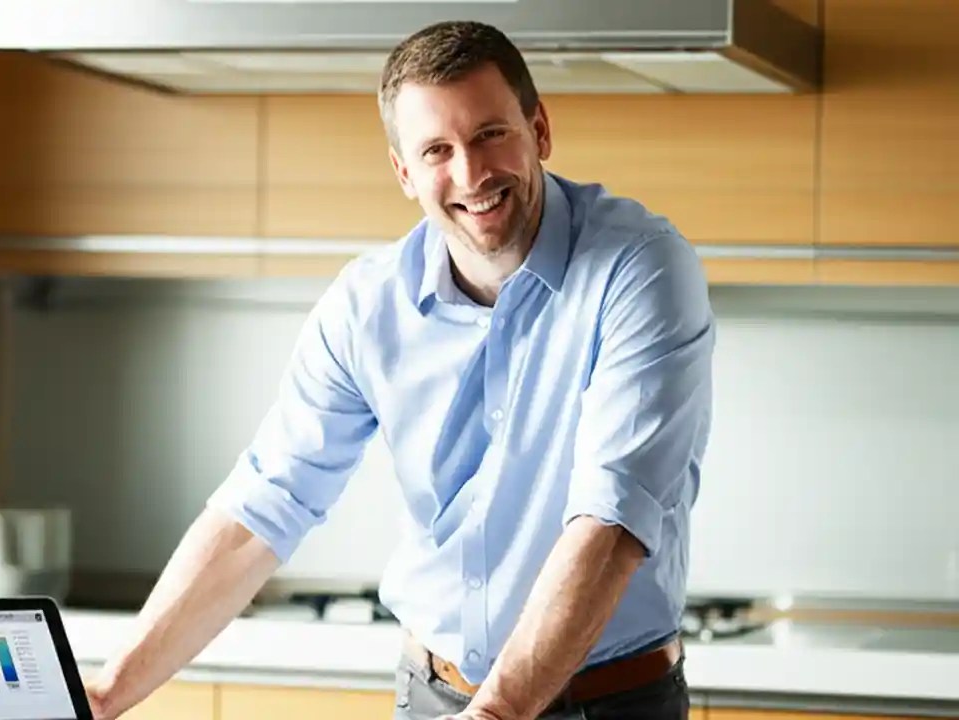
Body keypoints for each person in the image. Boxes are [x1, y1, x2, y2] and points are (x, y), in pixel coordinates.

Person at [86, 19, 714, 720]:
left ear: (539, 130)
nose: (471, 174)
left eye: (490, 135)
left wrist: (498, 712)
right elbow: (261, 508)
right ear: (403, 171)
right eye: (437, 150)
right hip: (433, 696)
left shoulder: (640, 269)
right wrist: (106, 694)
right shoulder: (367, 304)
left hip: (610, 705)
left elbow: (612, 518)